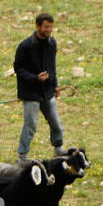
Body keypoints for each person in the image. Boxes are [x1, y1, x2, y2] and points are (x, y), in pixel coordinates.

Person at [14, 12, 65, 162]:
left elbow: (52, 66)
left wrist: (55, 85)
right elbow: (18, 68)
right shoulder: (25, 46)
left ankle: (58, 148)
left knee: (56, 122)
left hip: (47, 92)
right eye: (46, 26)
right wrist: (35, 78)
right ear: (37, 26)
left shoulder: (52, 43)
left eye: (50, 26)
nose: (49, 29)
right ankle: (22, 156)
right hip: (30, 93)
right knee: (31, 125)